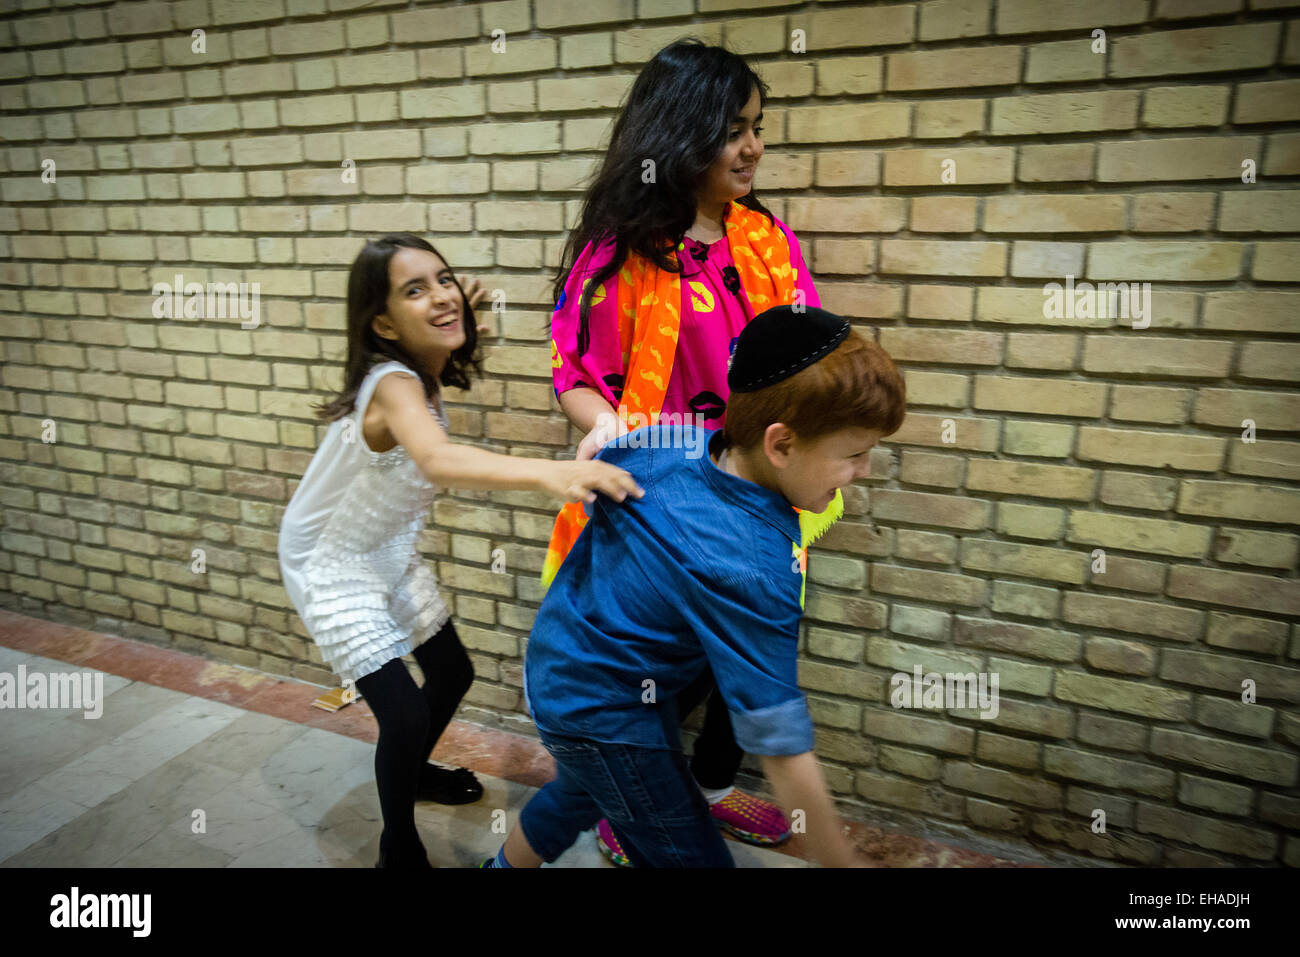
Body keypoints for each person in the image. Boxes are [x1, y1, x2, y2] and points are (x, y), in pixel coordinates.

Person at [483, 305, 907, 868]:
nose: (865, 470)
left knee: (579, 790)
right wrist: (839, 860)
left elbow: (608, 454)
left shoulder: (672, 443)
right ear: (780, 444)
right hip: (601, 707)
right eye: (854, 454)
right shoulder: (755, 563)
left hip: (557, 667)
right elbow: (777, 736)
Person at [543, 38, 827, 862]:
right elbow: (574, 372)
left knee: (747, 656)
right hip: (657, 505)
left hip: (756, 497)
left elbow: (803, 352)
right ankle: (630, 810)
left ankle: (709, 791)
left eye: (758, 126)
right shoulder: (620, 250)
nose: (754, 147)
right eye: (734, 129)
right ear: (681, 133)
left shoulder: (765, 240)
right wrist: (599, 421)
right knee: (662, 669)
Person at [277, 233, 643, 868]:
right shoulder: (391, 382)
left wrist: (454, 302)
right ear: (382, 322)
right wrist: (551, 473)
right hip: (330, 562)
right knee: (403, 712)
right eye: (414, 290)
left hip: (384, 548)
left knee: (452, 673)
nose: (441, 296)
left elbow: (451, 313)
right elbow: (438, 457)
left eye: (443, 279)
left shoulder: (422, 361)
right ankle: (398, 845)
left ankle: (413, 772)